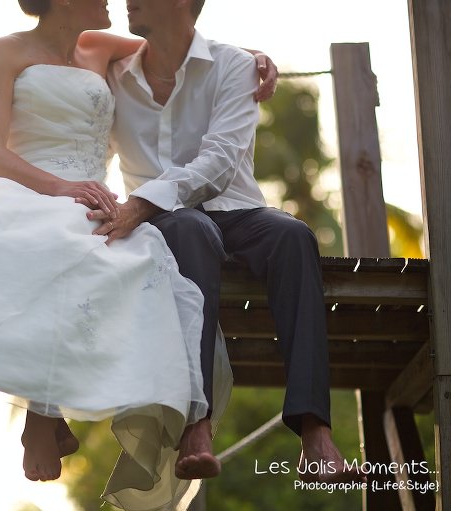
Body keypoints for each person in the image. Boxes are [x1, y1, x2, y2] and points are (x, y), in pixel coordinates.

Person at [0, 1, 275, 509]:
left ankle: (47, 417)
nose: (111, 1)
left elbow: (186, 46)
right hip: (28, 185)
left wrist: (253, 57)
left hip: (92, 196)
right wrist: (60, 187)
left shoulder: (103, 48)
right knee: (31, 238)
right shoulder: (8, 50)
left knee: (115, 251)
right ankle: (41, 415)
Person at [87, 0, 364, 484]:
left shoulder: (233, 66)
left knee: (294, 236)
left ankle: (315, 431)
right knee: (191, 229)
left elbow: (219, 162)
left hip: (234, 207)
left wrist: (141, 203)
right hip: (168, 224)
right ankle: (198, 424)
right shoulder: (114, 79)